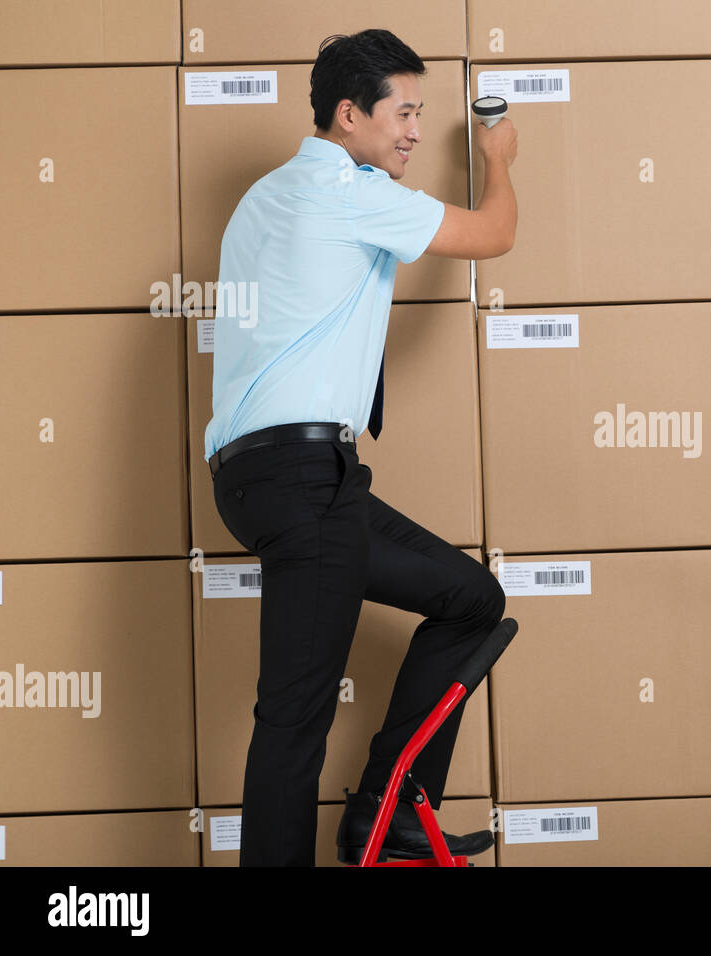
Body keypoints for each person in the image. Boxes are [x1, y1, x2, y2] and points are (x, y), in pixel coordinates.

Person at [203, 29, 519, 866]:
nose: (414, 131)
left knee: (470, 600)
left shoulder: (262, 202)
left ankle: (392, 805)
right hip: (304, 476)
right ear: (349, 114)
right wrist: (500, 159)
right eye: (404, 112)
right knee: (296, 717)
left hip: (269, 478)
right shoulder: (348, 191)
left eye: (422, 114)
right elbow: (493, 235)